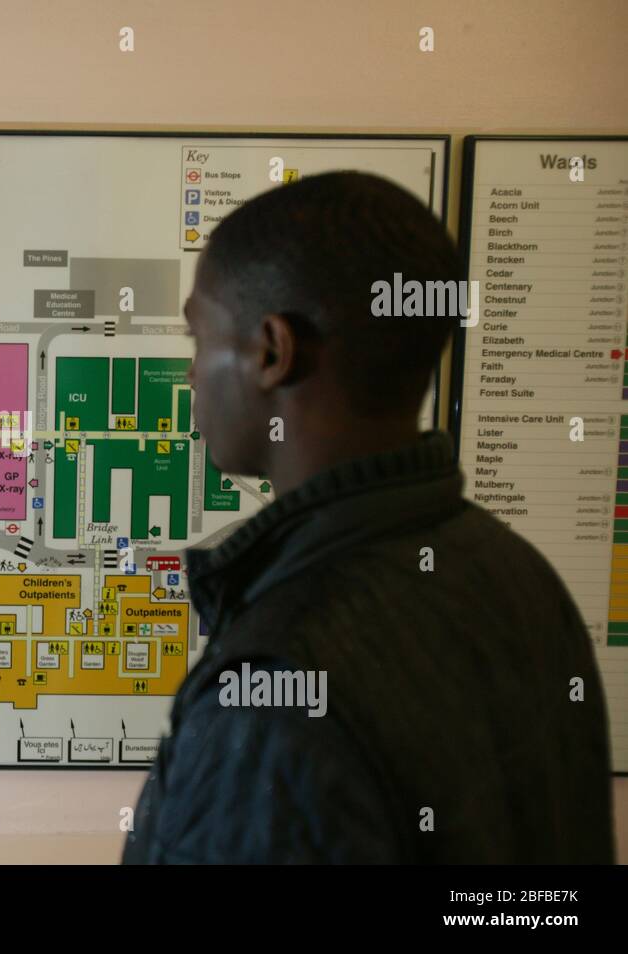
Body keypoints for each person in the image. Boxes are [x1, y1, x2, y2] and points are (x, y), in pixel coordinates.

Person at [122, 171, 614, 864]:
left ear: (272, 351)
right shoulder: (520, 575)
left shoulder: (276, 688)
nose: (193, 374)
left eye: (199, 338)